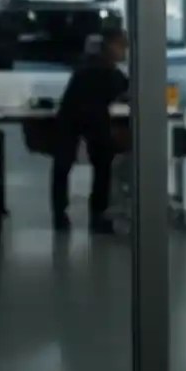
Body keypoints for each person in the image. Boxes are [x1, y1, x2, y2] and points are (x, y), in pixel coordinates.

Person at [51, 27, 130, 232]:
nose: (124, 51)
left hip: (75, 118)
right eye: (121, 46)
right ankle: (97, 214)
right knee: (101, 164)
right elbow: (126, 91)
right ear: (109, 46)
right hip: (88, 119)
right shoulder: (106, 71)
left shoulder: (91, 66)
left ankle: (60, 214)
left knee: (64, 165)